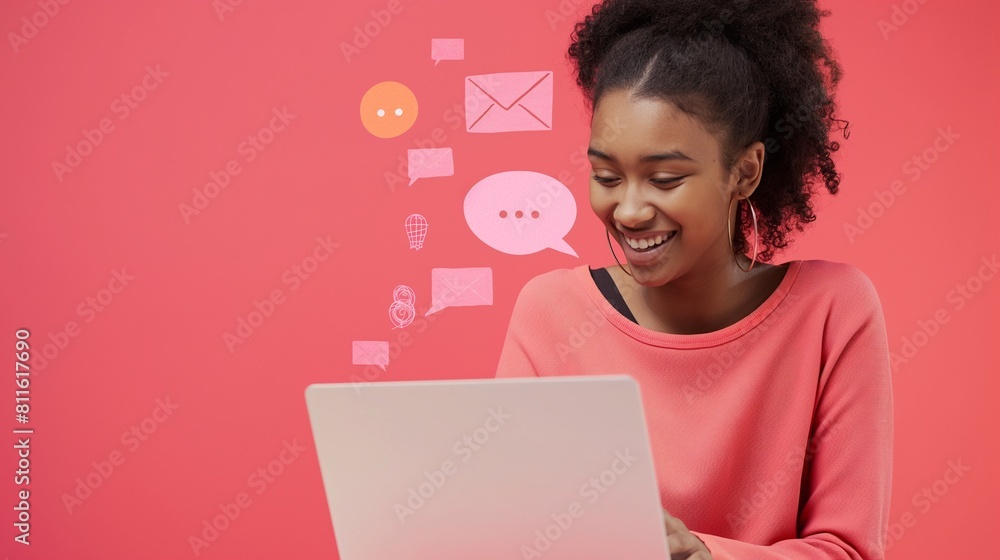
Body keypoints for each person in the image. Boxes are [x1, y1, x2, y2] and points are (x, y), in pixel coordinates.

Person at [494, 1, 893, 558]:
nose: (629, 210)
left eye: (664, 178)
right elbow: (510, 527)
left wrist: (704, 555)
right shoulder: (549, 312)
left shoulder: (833, 312)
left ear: (744, 172)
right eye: (606, 175)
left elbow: (846, 549)